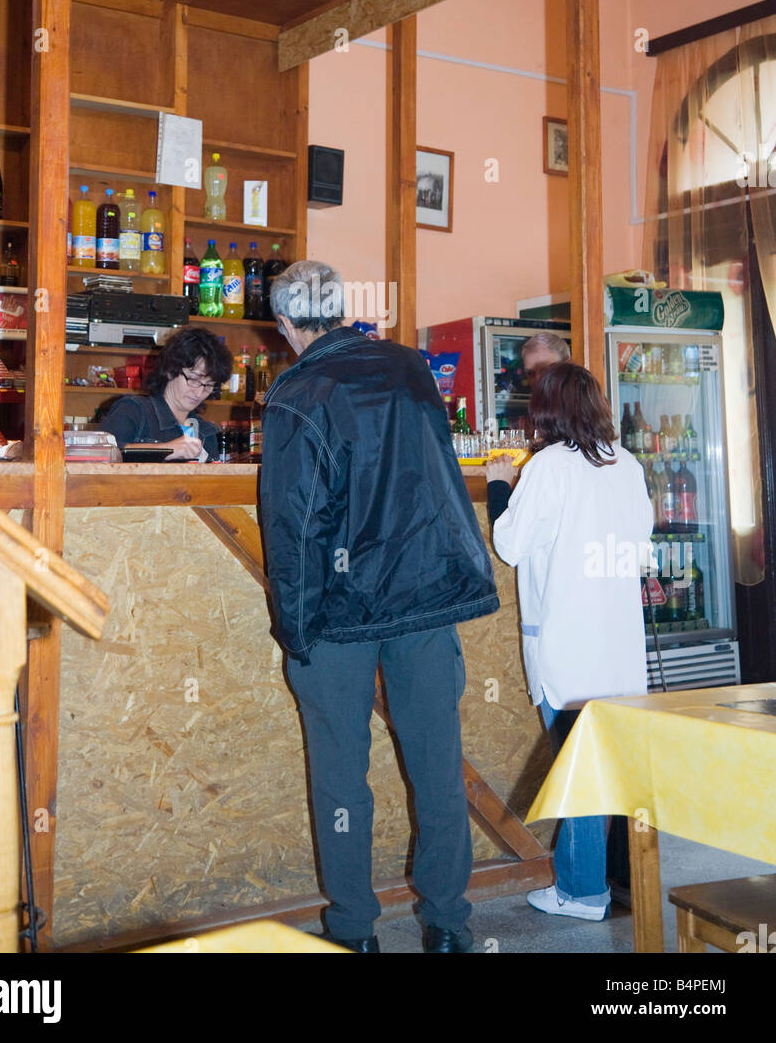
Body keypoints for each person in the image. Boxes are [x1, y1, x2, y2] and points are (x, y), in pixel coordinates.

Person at [260, 260, 499, 954]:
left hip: (338, 612)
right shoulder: (410, 368)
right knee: (437, 766)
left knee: (342, 778)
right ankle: (450, 926)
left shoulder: (297, 390)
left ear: (283, 325)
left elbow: (294, 525)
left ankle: (355, 932)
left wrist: (294, 627)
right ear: (341, 308)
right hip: (423, 598)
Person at [485, 360, 652, 922]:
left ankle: (582, 892)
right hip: (619, 645)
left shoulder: (549, 466)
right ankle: (613, 882)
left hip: (568, 643)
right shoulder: (626, 464)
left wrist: (498, 484)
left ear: (546, 411)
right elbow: (641, 541)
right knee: (607, 767)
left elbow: (510, 544)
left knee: (580, 769)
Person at [98, 325, 231, 460]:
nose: (199, 392)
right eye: (193, 379)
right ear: (170, 370)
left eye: (209, 385)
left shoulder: (207, 432)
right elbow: (102, 453)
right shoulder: (134, 410)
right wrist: (166, 449)